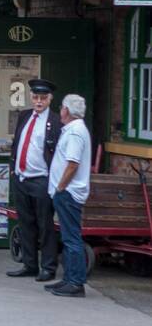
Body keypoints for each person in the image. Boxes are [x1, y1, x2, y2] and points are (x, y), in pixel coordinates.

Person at [7, 78, 62, 281]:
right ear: (31, 97)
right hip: (22, 177)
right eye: (36, 97)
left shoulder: (55, 121)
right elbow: (17, 143)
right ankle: (29, 264)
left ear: (50, 99)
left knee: (45, 225)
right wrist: (13, 169)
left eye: (43, 98)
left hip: (41, 179)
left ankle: (48, 267)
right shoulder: (24, 116)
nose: (39, 101)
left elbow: (57, 152)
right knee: (25, 223)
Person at [47, 94, 93, 298]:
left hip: (68, 193)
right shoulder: (75, 130)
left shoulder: (75, 133)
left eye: (61, 107)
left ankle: (75, 282)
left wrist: (60, 187)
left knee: (71, 238)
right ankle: (69, 278)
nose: (60, 111)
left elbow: (73, 164)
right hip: (68, 192)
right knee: (67, 237)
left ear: (66, 110)